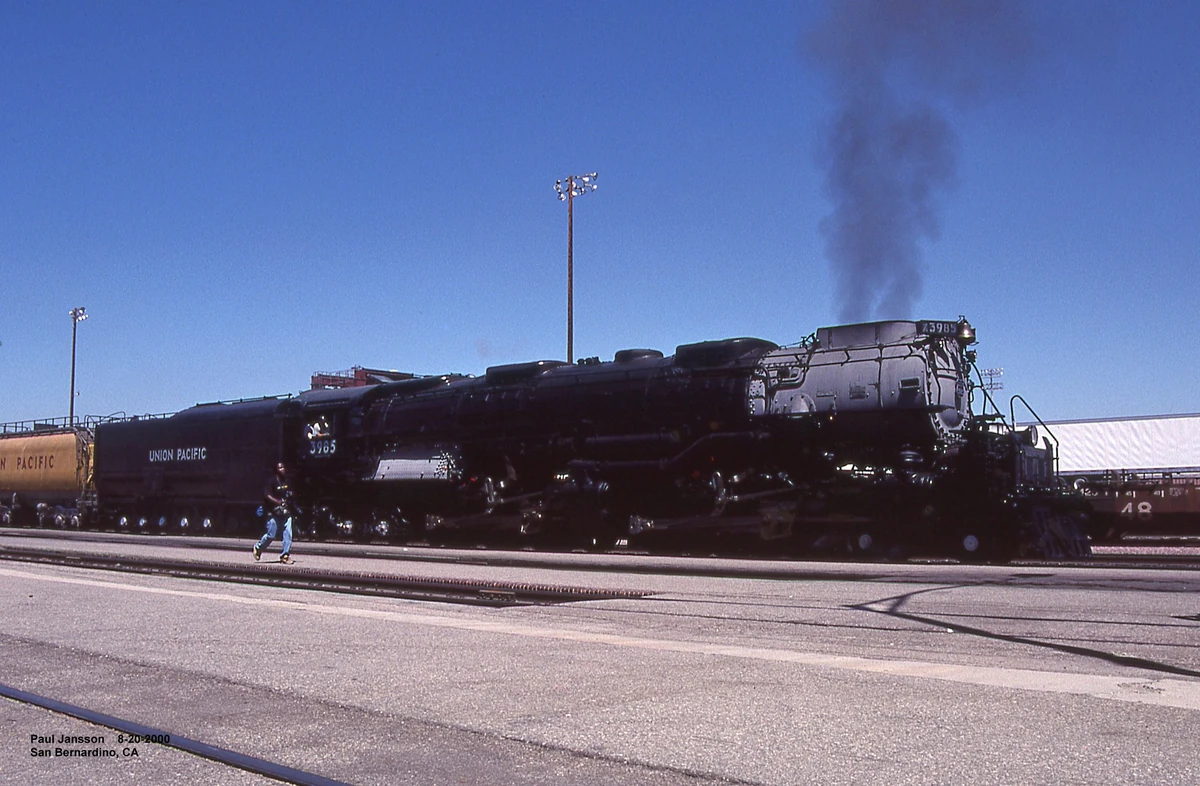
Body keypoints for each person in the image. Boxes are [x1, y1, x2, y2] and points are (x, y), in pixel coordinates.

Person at [253, 463, 293, 563]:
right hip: (272, 512)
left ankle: (285, 555)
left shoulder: (287, 481)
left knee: (288, 532)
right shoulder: (271, 482)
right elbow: (267, 495)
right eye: (280, 468)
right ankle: (258, 547)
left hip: (285, 512)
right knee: (271, 535)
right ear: (276, 470)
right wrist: (278, 502)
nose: (282, 469)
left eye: (283, 467)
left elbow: (290, 493)